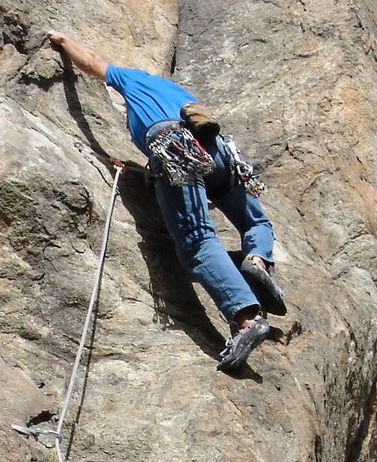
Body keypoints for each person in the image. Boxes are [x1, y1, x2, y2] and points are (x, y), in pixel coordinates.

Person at [47, 32, 285, 372]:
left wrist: (63, 41)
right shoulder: (179, 92)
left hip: (174, 148)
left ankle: (246, 319)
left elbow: (92, 62)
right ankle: (257, 260)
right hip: (218, 151)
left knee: (197, 241)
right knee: (255, 222)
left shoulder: (132, 79)